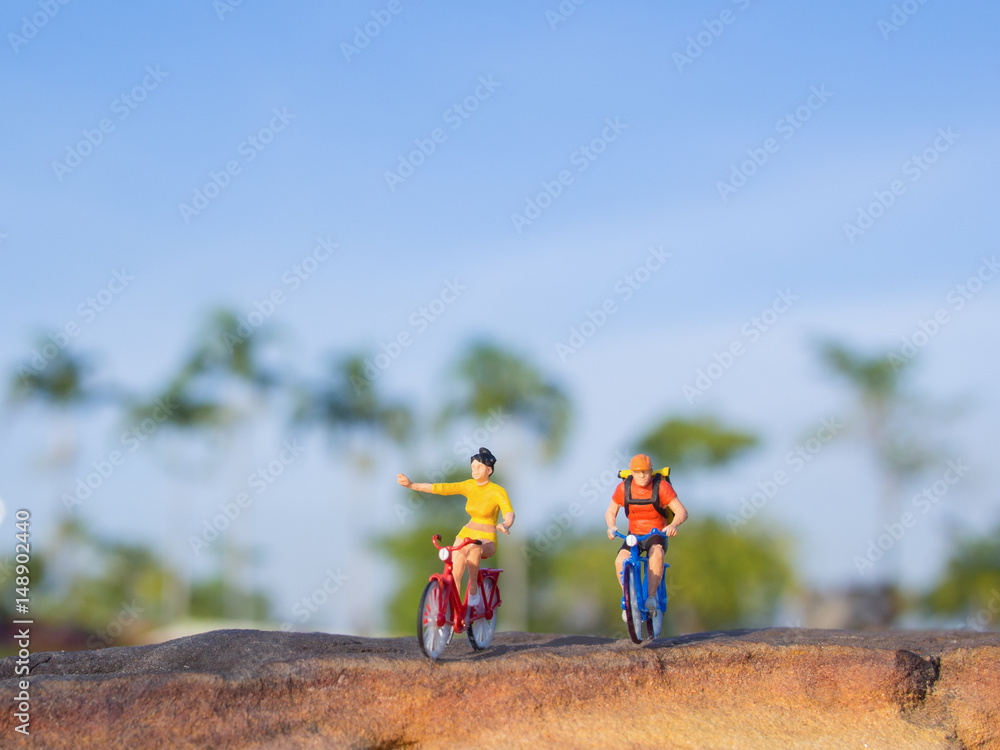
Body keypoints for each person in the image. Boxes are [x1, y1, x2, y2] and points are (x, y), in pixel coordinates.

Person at [397, 447, 514, 616]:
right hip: (467, 532)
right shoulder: (469, 485)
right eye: (473, 467)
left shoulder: (497, 491)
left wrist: (506, 524)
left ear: (489, 470)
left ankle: (473, 590)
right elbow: (441, 488)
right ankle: (454, 606)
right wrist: (412, 485)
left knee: (474, 549)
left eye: (479, 467)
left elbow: (508, 511)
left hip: (486, 537)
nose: (475, 471)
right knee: (455, 564)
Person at [605, 453, 688, 615]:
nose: (642, 475)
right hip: (633, 535)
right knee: (620, 560)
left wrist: (673, 525)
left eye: (645, 471)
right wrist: (611, 526)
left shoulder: (661, 487)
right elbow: (611, 511)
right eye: (637, 472)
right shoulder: (624, 489)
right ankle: (628, 597)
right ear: (632, 473)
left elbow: (682, 511)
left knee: (656, 554)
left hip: (656, 534)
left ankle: (651, 597)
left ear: (651, 471)